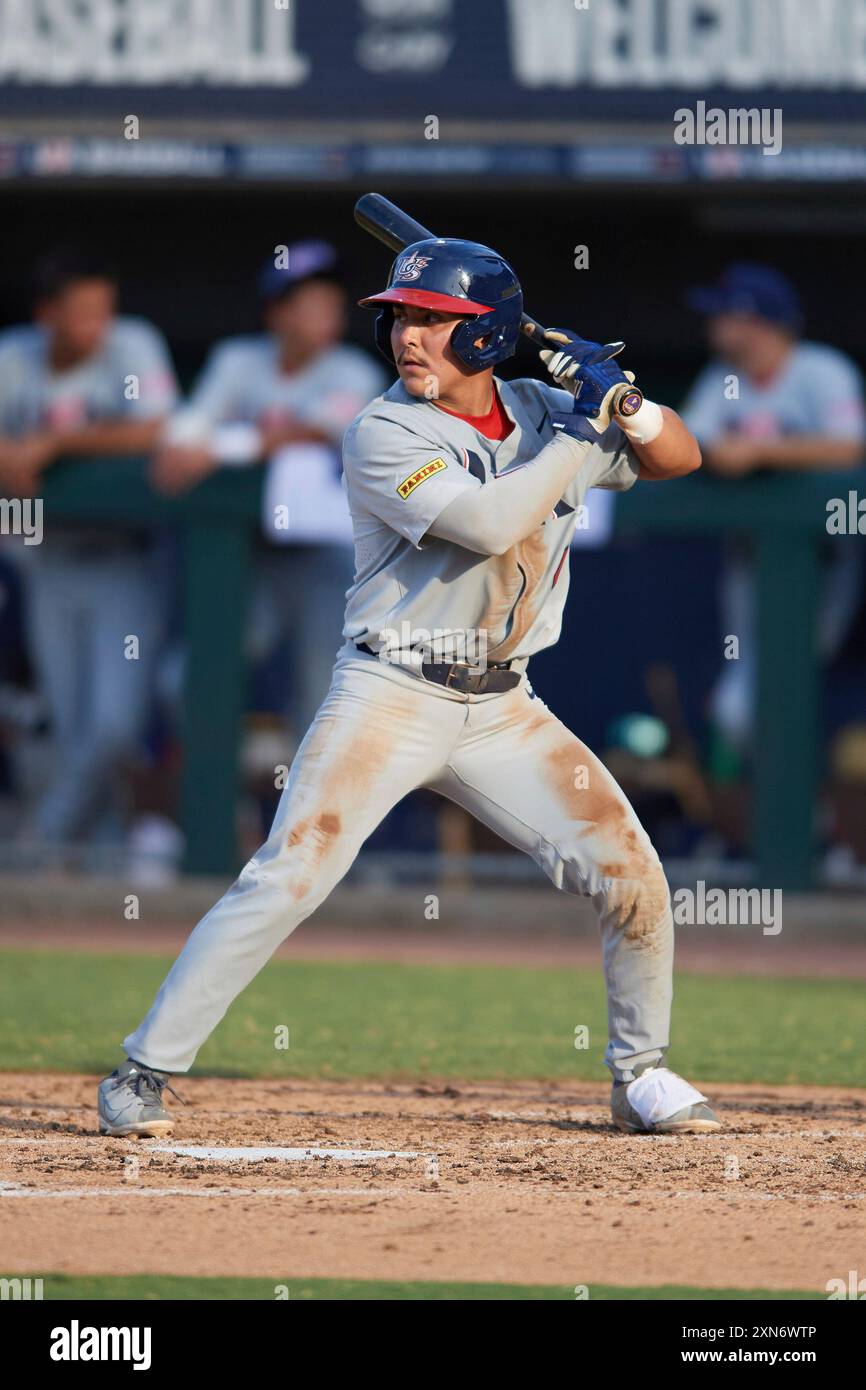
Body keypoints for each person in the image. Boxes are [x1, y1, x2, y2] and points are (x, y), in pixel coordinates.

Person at [98, 237, 718, 1140]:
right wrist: (587, 429)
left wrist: (624, 398)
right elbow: (490, 521)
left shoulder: (548, 408)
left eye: (434, 321)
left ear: (487, 336)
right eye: (401, 319)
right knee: (290, 874)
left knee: (633, 874)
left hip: (504, 705)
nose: (408, 338)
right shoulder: (384, 429)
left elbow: (681, 459)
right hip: (391, 690)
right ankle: (143, 1072)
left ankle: (640, 1075)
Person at [150, 240, 386, 740]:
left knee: (325, 704)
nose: (323, 315)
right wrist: (183, 442)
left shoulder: (355, 371)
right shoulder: (239, 359)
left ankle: (308, 812)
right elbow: (192, 425)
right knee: (189, 681)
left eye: (330, 304)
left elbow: (318, 431)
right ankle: (234, 796)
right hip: (254, 555)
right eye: (307, 304)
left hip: (329, 559)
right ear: (276, 313)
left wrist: (223, 448)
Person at [0, 247, 178, 857]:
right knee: (73, 731)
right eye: (80, 314)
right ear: (47, 314)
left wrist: (52, 442)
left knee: (112, 728)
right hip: (45, 560)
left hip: (124, 561)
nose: (95, 327)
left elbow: (158, 428)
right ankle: (98, 870)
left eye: (102, 312)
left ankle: (38, 848)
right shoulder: (14, 355)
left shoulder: (132, 343)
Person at [683, 262, 865, 759]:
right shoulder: (724, 378)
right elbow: (695, 439)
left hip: (822, 559)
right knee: (745, 697)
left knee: (782, 688)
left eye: (724, 315)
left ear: (754, 321)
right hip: (750, 557)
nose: (714, 325)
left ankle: (806, 823)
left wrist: (763, 453)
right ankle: (782, 824)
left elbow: (850, 449)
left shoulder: (821, 370)